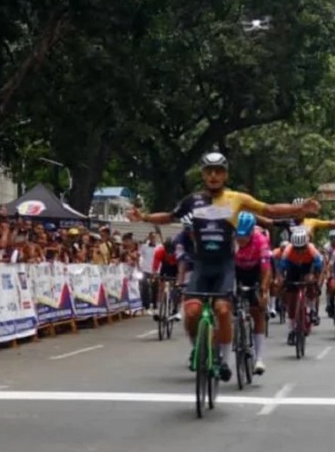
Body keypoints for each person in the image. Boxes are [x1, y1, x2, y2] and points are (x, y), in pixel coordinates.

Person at [128, 152, 317, 382]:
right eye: (209, 171)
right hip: (201, 266)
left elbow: (268, 210)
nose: (214, 175)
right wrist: (144, 216)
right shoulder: (193, 200)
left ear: (225, 174)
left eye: (219, 171)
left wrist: (298, 209)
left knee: (224, 310)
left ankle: (224, 360)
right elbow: (169, 217)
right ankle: (200, 347)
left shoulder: (237, 198)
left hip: (226, 266)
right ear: (203, 174)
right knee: (191, 313)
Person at [233, 211, 273, 375]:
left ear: (251, 233)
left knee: (257, 312)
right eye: (238, 236)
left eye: (244, 236)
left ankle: (259, 358)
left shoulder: (261, 241)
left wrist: (263, 290)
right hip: (236, 271)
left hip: (255, 272)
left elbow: (266, 270)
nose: (240, 240)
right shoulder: (231, 241)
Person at [277, 227, 324, 344]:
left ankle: (312, 309)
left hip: (308, 267)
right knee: (291, 300)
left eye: (302, 248)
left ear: (306, 244)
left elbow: (319, 267)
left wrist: (315, 279)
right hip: (293, 268)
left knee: (311, 284)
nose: (299, 251)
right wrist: (281, 280)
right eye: (297, 248)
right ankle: (292, 329)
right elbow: (281, 269)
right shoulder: (288, 251)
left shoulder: (312, 250)